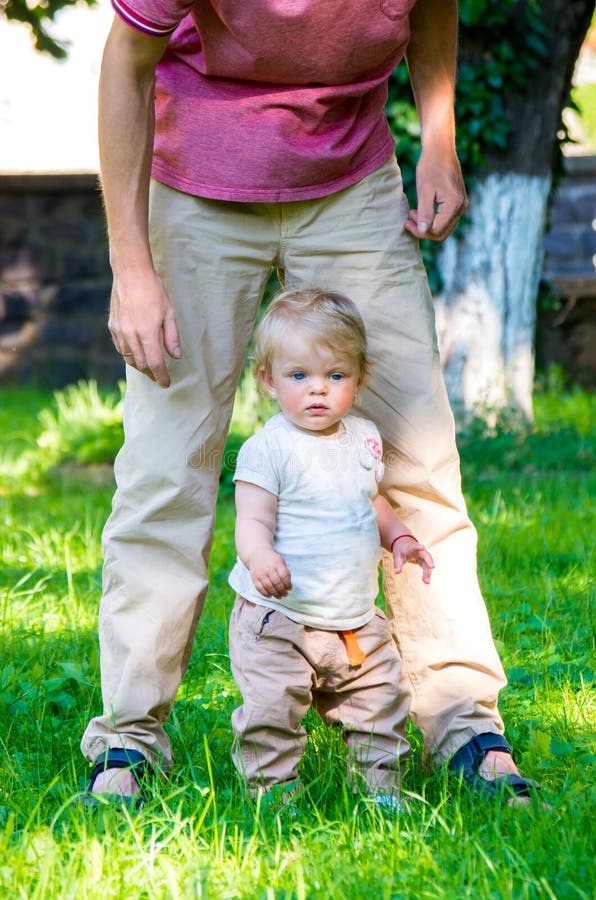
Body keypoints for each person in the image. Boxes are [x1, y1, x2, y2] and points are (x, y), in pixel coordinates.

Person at [83, 0, 540, 804]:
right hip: (195, 187)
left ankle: (463, 721)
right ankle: (130, 734)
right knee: (166, 469)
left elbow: (432, 7)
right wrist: (132, 266)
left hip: (350, 184)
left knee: (416, 459)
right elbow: (126, 61)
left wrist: (439, 141)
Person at [228, 289, 434, 806]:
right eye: (299, 375)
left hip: (354, 619)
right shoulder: (268, 448)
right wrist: (260, 557)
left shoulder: (363, 437)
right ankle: (274, 793)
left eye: (336, 375)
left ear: (359, 380)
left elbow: (371, 501)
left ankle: (379, 789)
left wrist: (399, 535)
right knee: (272, 710)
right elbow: (251, 520)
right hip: (280, 616)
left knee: (380, 701)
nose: (317, 389)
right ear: (268, 380)